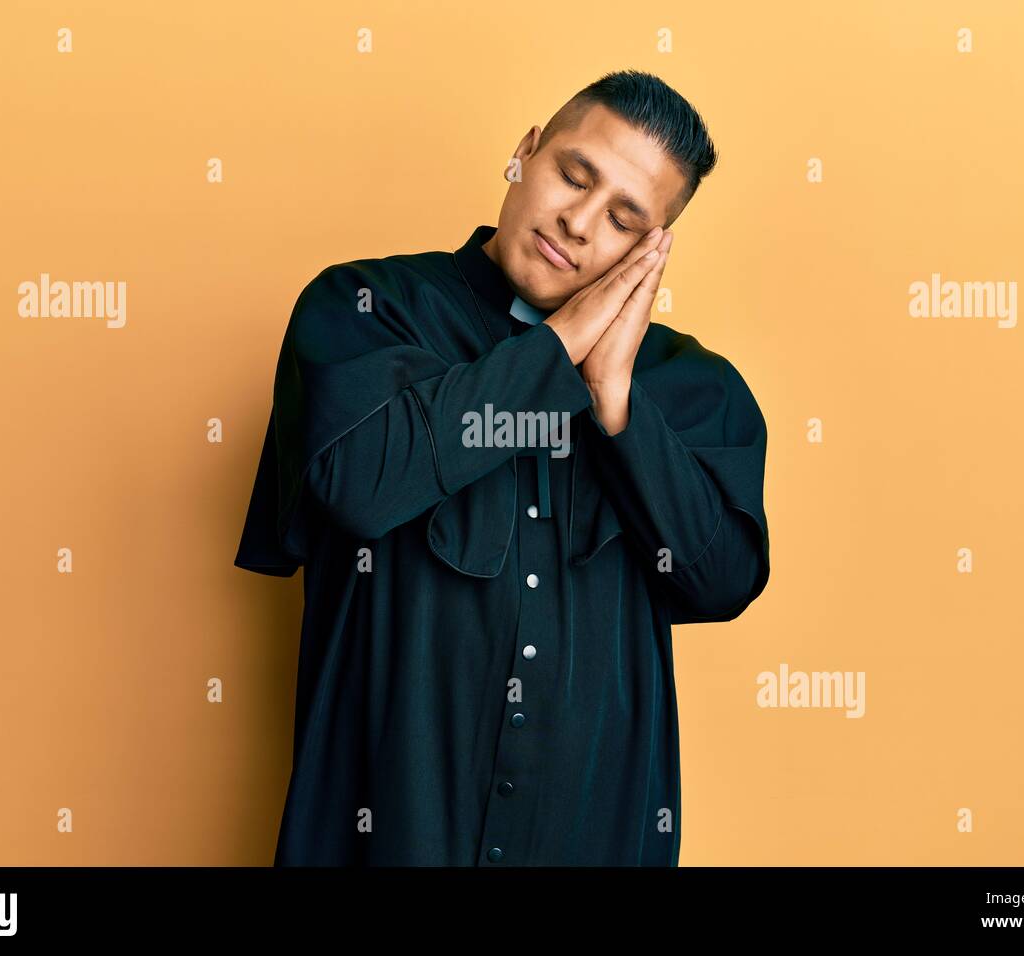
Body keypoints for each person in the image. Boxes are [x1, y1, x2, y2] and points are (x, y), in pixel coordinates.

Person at [234, 69, 770, 866]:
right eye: (571, 175)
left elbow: (722, 580)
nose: (579, 223)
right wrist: (557, 350)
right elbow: (355, 485)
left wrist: (616, 406)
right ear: (524, 154)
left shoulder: (693, 390)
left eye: (624, 219)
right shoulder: (365, 307)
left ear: (653, 248)